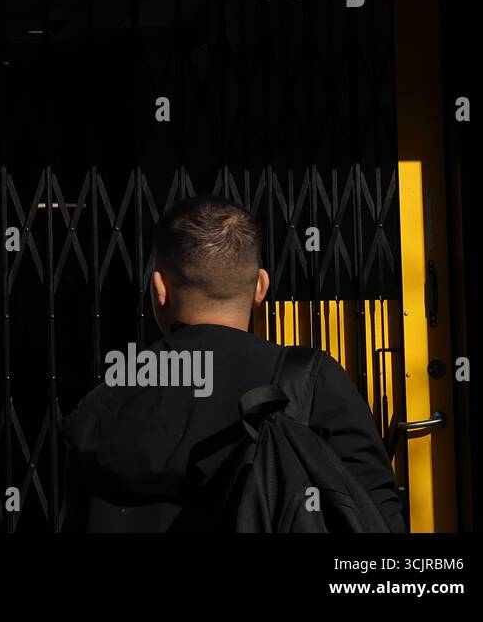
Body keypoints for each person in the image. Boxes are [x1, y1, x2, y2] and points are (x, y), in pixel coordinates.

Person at [61, 195, 405, 532]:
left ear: (159, 288)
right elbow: (375, 514)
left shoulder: (108, 401)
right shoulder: (310, 382)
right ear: (260, 287)